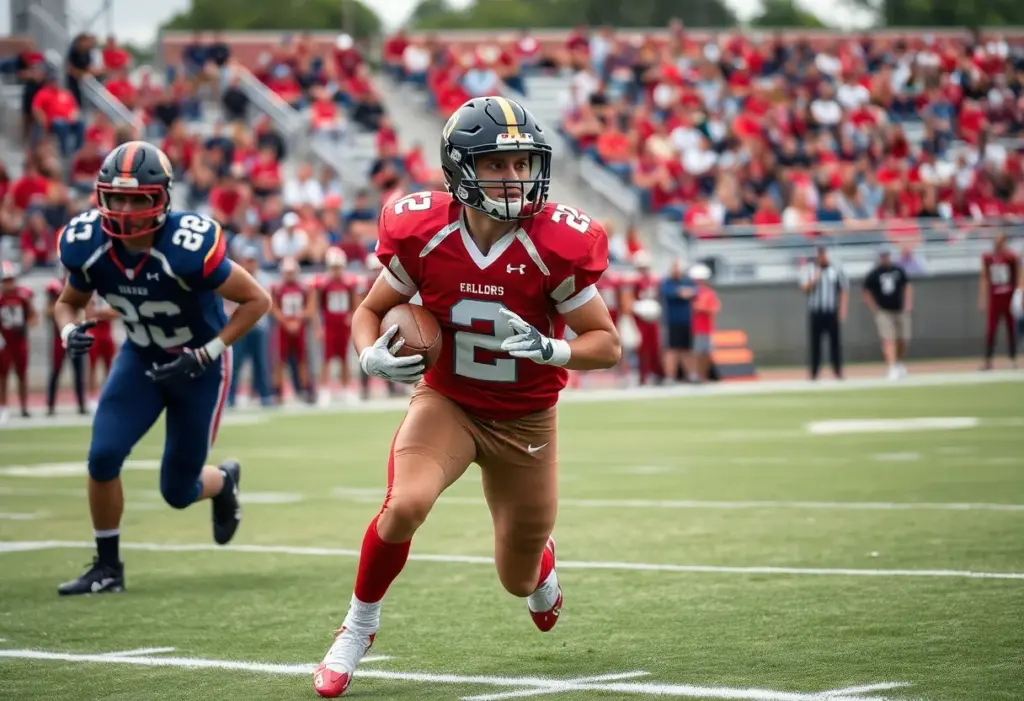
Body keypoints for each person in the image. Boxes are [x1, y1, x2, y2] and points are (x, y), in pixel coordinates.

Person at [312, 96, 621, 698]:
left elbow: (605, 344)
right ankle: (358, 627)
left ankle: (540, 565)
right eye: (496, 164)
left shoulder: (553, 243)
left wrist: (550, 348)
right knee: (405, 505)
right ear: (460, 169)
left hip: (526, 421)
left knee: (516, 579)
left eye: (522, 163)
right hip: (447, 403)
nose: (514, 177)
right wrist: (369, 354)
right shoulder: (425, 233)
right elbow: (369, 312)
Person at [53, 141, 272, 596]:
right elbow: (67, 303)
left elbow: (257, 300)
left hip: (199, 367)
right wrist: (68, 330)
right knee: (102, 456)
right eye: (117, 198)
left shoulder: (186, 246)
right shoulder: (89, 245)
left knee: (177, 491)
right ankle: (107, 567)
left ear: (162, 199)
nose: (125, 210)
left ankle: (222, 482)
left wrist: (206, 353)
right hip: (140, 358)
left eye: (137, 199)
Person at [316, 247, 362, 405]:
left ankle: (346, 388)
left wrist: (352, 316)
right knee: (326, 359)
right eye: (333, 267)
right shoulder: (323, 284)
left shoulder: (348, 283)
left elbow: (355, 303)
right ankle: (324, 390)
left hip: (343, 325)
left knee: (344, 359)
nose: (336, 270)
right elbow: (316, 307)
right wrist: (319, 326)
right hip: (329, 324)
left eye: (338, 266)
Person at [862, 246, 912, 380]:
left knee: (903, 339)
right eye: (882, 256)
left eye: (886, 255)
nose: (884, 258)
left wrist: (908, 304)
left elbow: (907, 286)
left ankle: (899, 363)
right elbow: (866, 290)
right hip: (884, 311)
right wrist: (874, 308)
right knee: (888, 339)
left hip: (899, 309)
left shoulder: (898, 270)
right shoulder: (875, 274)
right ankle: (891, 366)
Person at [800, 246, 847, 380]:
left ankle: (837, 371)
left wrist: (842, 310)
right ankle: (814, 373)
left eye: (823, 254)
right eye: (819, 255)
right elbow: (804, 288)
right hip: (816, 311)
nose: (822, 257)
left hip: (832, 311)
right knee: (815, 344)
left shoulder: (836, 269)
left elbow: (843, 290)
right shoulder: (810, 269)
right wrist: (814, 280)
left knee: (835, 343)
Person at [44, 267, 87, 416]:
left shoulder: (78, 286)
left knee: (79, 371)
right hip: (59, 336)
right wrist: (62, 312)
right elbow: (48, 311)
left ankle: (81, 404)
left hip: (75, 335)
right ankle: (50, 405)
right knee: (55, 370)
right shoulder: (55, 287)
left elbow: (83, 311)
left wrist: (76, 319)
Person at [0, 261, 37, 422]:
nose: (9, 283)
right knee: (3, 375)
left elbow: (33, 316)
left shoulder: (22, 296)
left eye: (11, 279)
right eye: (6, 280)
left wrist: (27, 325)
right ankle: (3, 407)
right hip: (4, 341)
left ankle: (24, 407)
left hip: (20, 341)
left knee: (22, 374)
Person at [980, 233, 1021, 370]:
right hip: (995, 297)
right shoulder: (988, 257)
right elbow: (984, 277)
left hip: (1009, 296)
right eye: (996, 240)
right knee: (991, 329)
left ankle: (1012, 359)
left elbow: (1019, 276)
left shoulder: (1012, 257)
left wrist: (1020, 294)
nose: (997, 243)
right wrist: (982, 297)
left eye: (1000, 240)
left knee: (1011, 328)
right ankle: (988, 360)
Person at [659, 258, 697, 382]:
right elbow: (671, 293)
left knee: (687, 349)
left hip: (686, 320)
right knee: (672, 350)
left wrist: (683, 292)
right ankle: (670, 376)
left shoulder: (687, 280)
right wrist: (681, 292)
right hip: (672, 321)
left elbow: (694, 292)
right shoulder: (667, 282)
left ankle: (691, 374)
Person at [689, 263, 720, 382]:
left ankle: (703, 375)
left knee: (706, 353)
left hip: (706, 328)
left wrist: (703, 308)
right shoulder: (693, 292)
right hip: (695, 328)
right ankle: (695, 374)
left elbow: (714, 309)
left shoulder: (709, 293)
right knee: (696, 353)